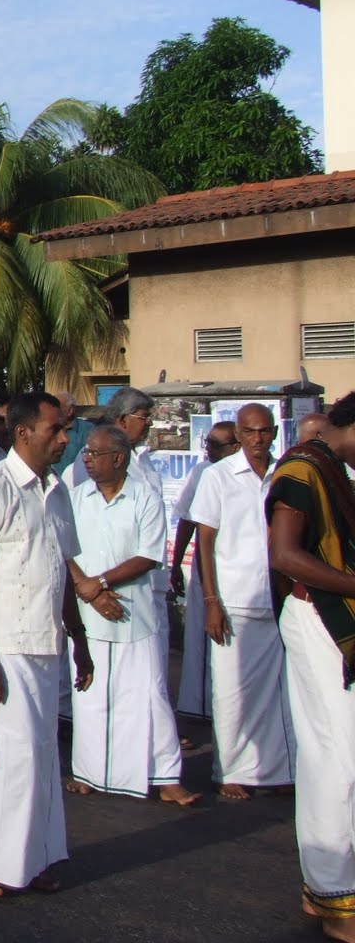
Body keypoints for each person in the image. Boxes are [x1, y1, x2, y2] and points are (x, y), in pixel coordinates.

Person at [0, 391, 93, 898]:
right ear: (23, 432)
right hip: (6, 642)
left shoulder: (56, 491)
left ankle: (32, 858)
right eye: (55, 429)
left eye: (64, 430)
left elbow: (64, 572)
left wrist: (79, 640)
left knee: (40, 756)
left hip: (46, 641)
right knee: (19, 754)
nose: (64, 438)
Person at [65, 426, 200, 806]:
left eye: (94, 453)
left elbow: (148, 555)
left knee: (148, 695)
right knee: (91, 697)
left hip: (134, 613)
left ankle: (166, 777)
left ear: (118, 458)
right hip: (88, 613)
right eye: (87, 453)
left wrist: (102, 583)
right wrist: (88, 590)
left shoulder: (145, 498)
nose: (86, 459)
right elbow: (62, 548)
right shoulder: (76, 497)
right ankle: (90, 772)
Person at [265, 391, 355, 939]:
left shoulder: (332, 467)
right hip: (314, 616)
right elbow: (286, 555)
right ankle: (334, 900)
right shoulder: (304, 467)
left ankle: (330, 890)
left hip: (331, 620)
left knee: (343, 755)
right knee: (335, 759)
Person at [189, 403, 296, 799]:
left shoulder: (284, 473)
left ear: (273, 432)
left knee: (282, 692)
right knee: (233, 691)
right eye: (249, 432)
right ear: (238, 434)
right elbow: (206, 540)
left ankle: (278, 770)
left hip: (279, 596)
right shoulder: (218, 476)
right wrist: (211, 600)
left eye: (264, 431)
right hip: (235, 599)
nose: (258, 439)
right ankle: (230, 769)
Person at [172, 422, 240, 721]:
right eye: (207, 442)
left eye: (216, 444)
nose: (208, 449)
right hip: (208, 565)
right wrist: (176, 565)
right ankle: (199, 705)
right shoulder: (203, 472)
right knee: (203, 633)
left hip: (242, 572)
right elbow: (189, 520)